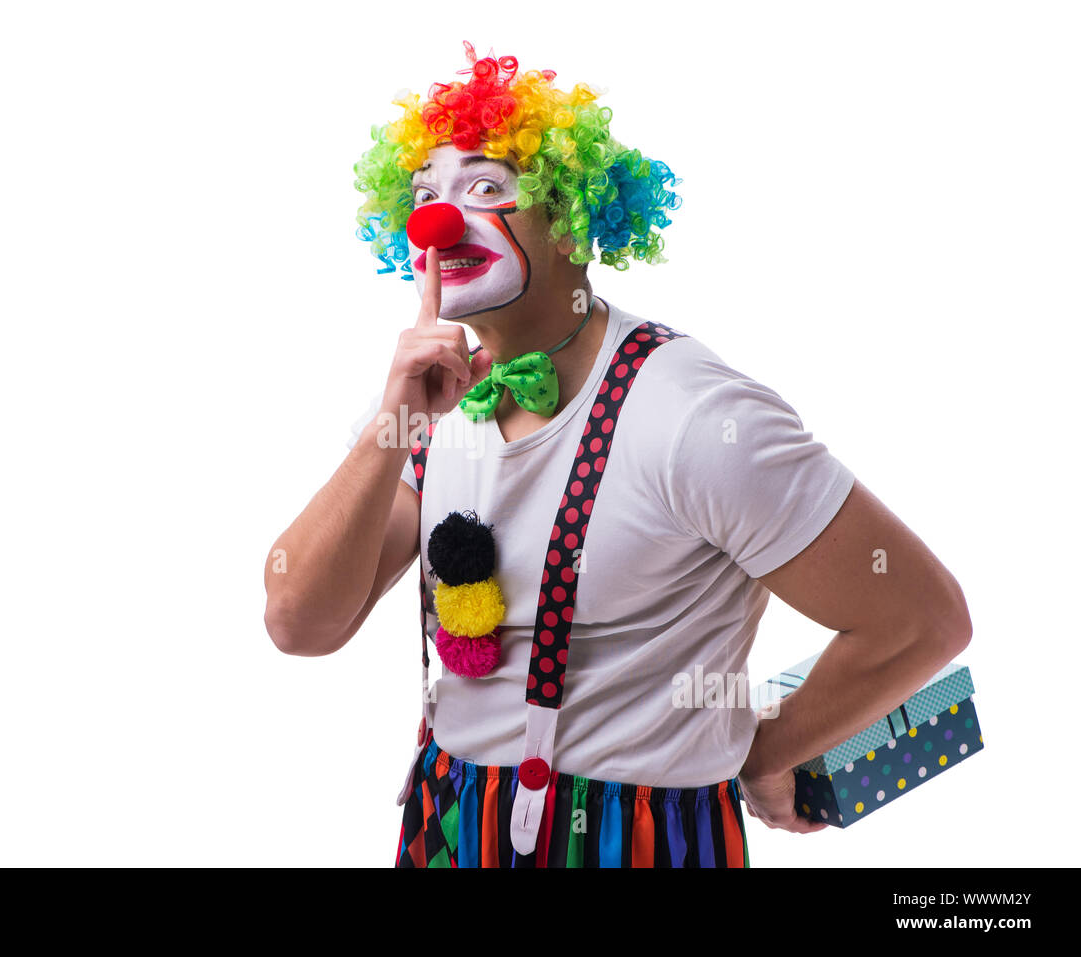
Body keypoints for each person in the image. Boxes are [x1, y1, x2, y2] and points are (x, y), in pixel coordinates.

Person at [262, 42, 972, 868]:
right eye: (424, 196)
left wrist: (763, 749)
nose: (439, 220)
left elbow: (921, 619)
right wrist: (392, 427)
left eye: (487, 188)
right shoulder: (431, 399)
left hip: (639, 840)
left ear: (573, 217)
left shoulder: (694, 415)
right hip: (448, 823)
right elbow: (298, 621)